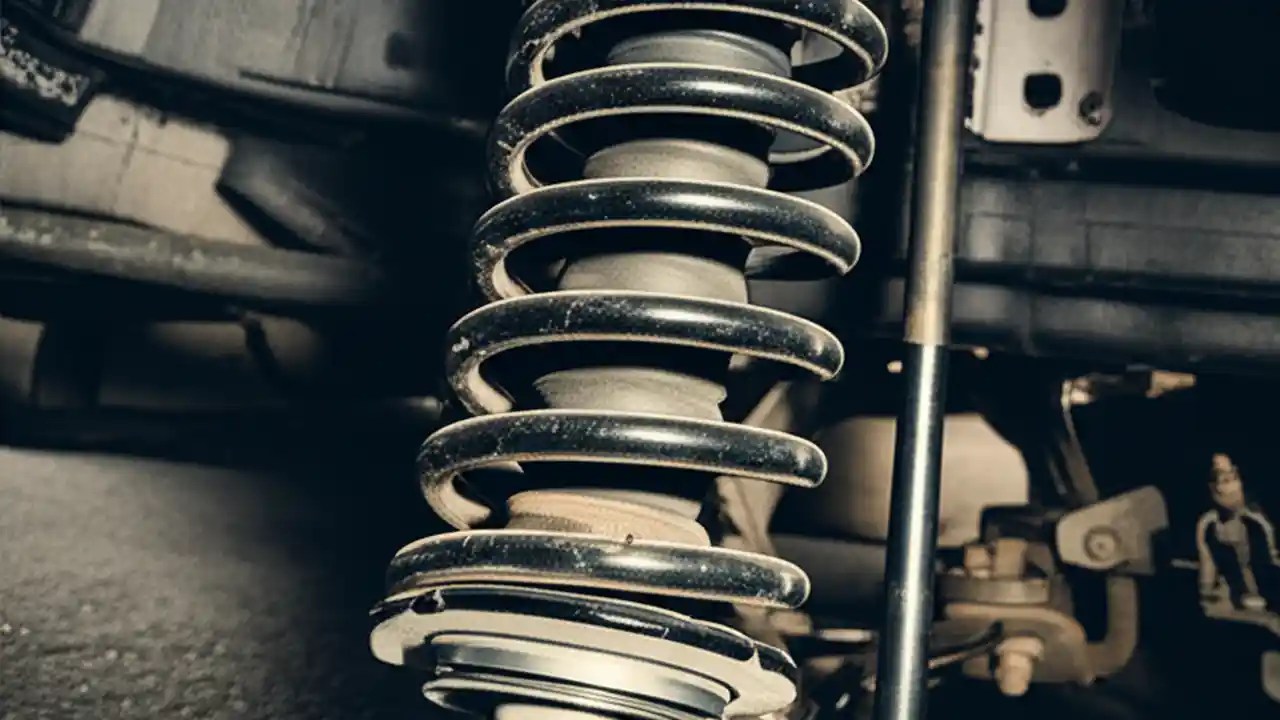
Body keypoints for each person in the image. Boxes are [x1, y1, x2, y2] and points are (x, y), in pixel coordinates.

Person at [1196, 454, 1280, 612]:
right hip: (1232, 608)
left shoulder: (1256, 523)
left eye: (1233, 477)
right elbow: (1207, 587)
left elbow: (1270, 566)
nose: (1231, 488)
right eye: (1222, 480)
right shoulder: (1208, 526)